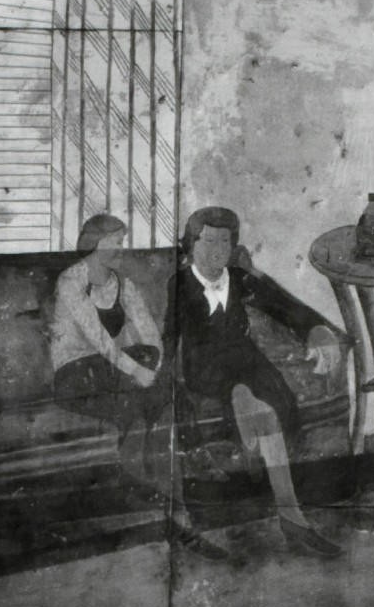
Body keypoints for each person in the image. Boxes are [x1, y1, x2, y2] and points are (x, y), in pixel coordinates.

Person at [167, 204, 342, 556]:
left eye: (226, 242)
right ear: (191, 244)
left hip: (249, 363)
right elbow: (167, 339)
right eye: (210, 241)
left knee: (267, 413)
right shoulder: (180, 283)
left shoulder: (241, 277)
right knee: (248, 400)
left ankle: (291, 518)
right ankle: (292, 520)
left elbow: (286, 307)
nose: (218, 250)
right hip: (206, 367)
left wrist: (318, 331)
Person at [46, 213, 170, 485]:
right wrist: (137, 370)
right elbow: (98, 339)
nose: (120, 249)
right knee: (142, 390)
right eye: (114, 241)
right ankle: (141, 463)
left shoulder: (123, 284)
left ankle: (144, 465)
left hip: (111, 372)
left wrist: (154, 367)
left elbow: (150, 332)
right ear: (94, 242)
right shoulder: (71, 281)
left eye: (122, 241)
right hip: (74, 374)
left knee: (150, 363)